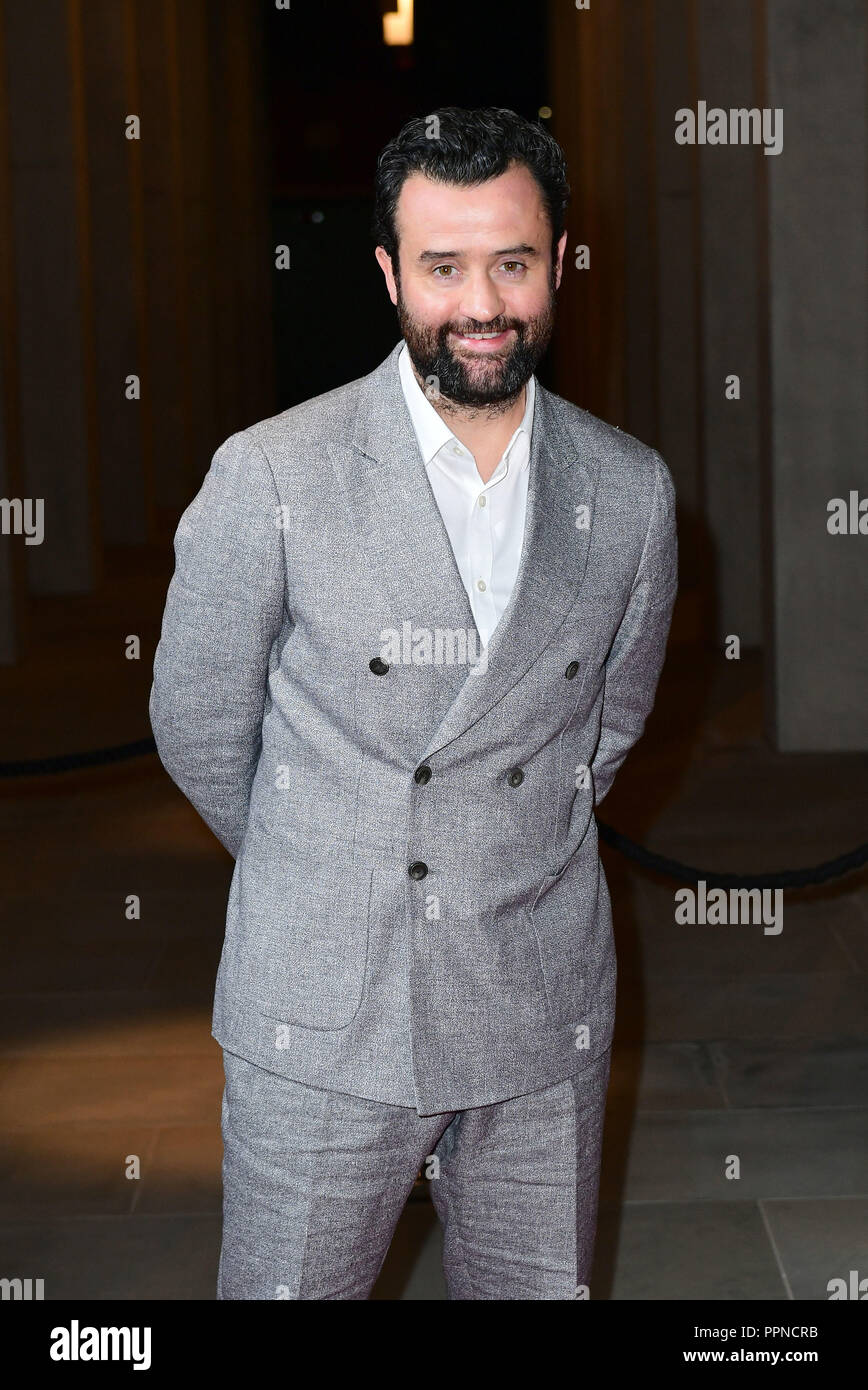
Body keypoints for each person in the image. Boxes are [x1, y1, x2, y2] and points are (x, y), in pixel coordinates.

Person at [150, 106, 678, 1300]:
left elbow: (604, 728)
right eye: (442, 267)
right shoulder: (274, 472)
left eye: (512, 261)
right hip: (322, 1020)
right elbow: (197, 724)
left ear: (558, 262)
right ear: (389, 273)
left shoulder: (632, 492)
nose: (481, 302)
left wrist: (487, 838)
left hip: (536, 1009)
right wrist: (334, 853)